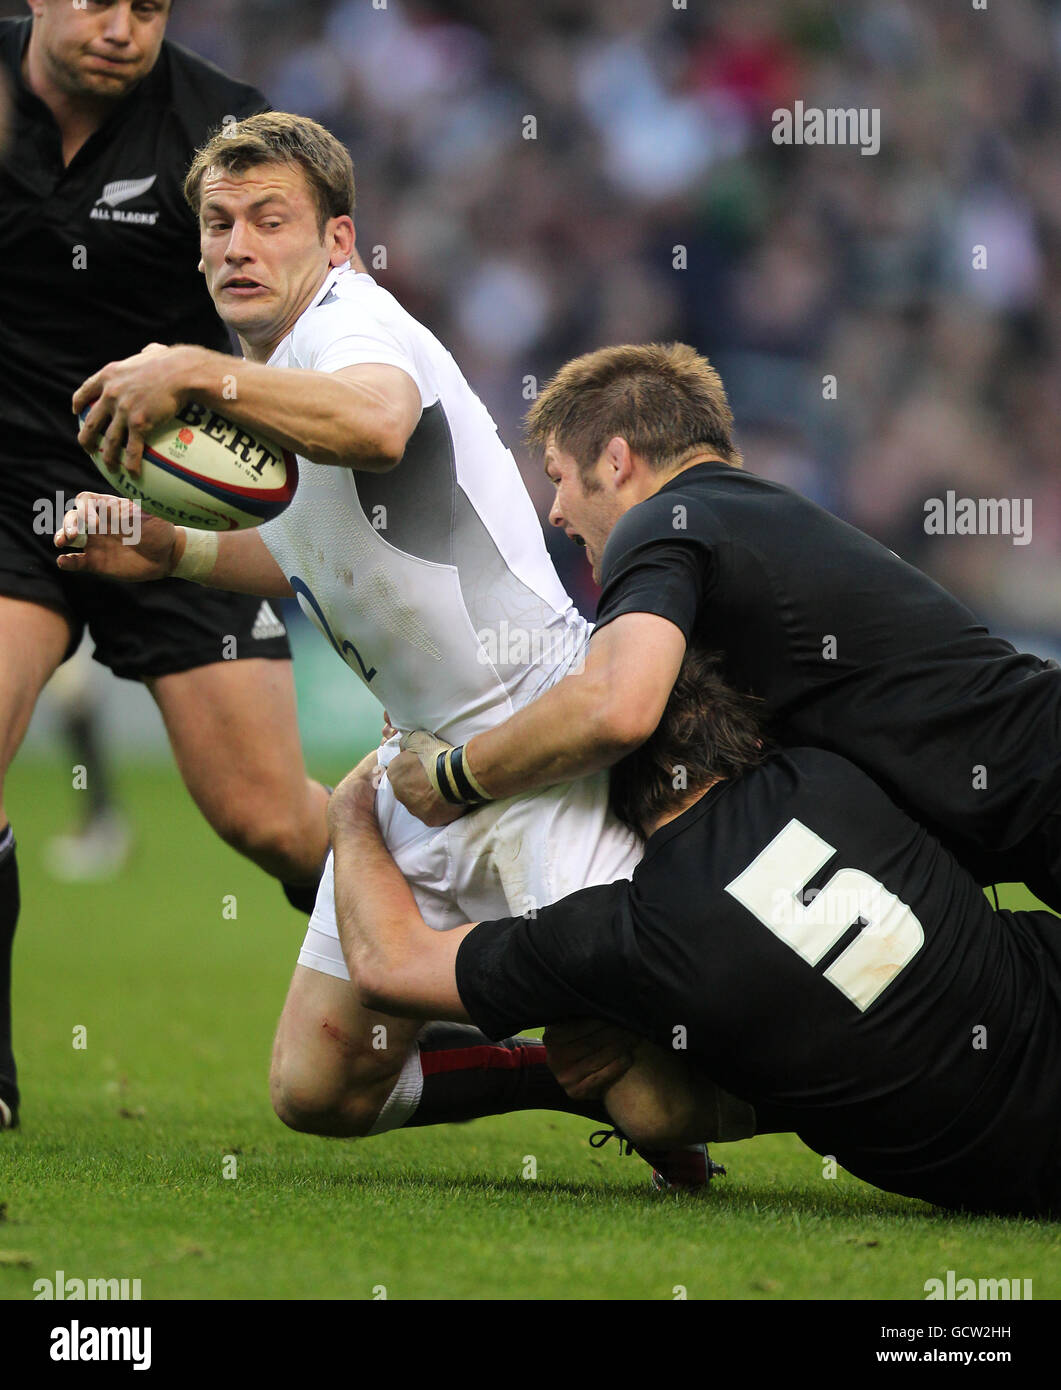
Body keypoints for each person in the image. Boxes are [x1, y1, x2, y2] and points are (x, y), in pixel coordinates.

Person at [54, 112, 722, 1187]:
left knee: (659, 1093)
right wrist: (172, 549)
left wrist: (193, 371)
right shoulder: (272, 371)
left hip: (532, 744)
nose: (236, 245)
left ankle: (890, 1078)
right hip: (418, 762)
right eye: (218, 224)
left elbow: (376, 424)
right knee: (316, 1090)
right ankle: (554, 1076)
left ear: (337, 241)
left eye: (269, 220)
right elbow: (313, 550)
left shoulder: (350, 323)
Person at [331, 647, 1061, 1218]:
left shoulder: (630, 930)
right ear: (737, 726)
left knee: (649, 1102)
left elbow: (389, 967)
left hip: (1008, 1170)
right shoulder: (825, 774)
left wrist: (352, 810)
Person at [387, 342, 1061, 914]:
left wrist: (454, 777)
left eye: (558, 477)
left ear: (616, 462)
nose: (556, 512)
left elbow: (615, 706)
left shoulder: (665, 519)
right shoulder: (740, 519)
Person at [0, 2, 332, 1131]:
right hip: (8, 496)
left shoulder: (223, 129)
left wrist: (214, 390)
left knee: (270, 819)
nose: (123, 27)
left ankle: (463, 976)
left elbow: (303, 323)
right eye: (100, 0)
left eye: (149, 6)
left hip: (171, 491)